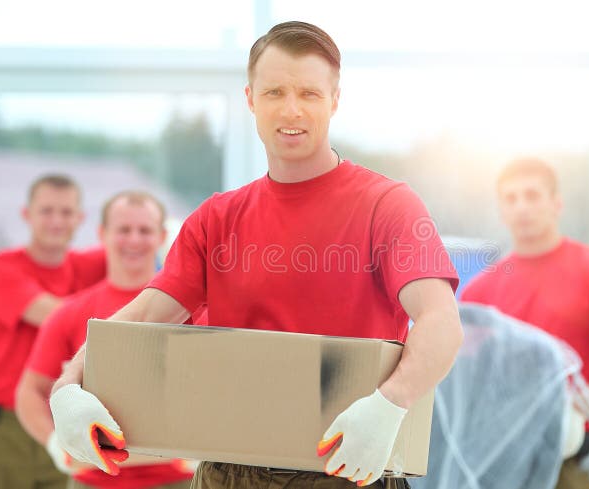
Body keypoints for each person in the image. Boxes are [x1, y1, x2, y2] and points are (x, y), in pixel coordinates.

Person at [48, 21, 462, 489]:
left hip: (346, 467)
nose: (292, 110)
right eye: (274, 92)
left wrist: (392, 403)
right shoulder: (216, 218)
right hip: (227, 473)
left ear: (335, 100)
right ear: (250, 99)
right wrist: (68, 388)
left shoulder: (387, 205)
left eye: (309, 93)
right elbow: (144, 315)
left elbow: (441, 322)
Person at [459, 158, 589, 489]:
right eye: (511, 198)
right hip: (500, 459)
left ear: (556, 204)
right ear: (502, 210)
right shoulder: (480, 290)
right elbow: (463, 373)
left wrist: (575, 412)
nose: (521, 207)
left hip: (575, 455)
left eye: (532, 196)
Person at [16, 191, 195, 489]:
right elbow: (30, 392)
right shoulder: (70, 314)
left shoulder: (191, 310)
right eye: (124, 230)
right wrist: (54, 443)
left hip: (178, 480)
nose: (134, 240)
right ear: (102, 234)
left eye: (145, 230)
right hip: (94, 481)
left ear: (162, 236)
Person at [0, 174, 106, 489]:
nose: (56, 221)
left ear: (80, 218)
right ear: (27, 214)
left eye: (66, 212)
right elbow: (54, 316)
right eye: (47, 211)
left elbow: (133, 247)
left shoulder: (87, 266)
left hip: (54, 425)